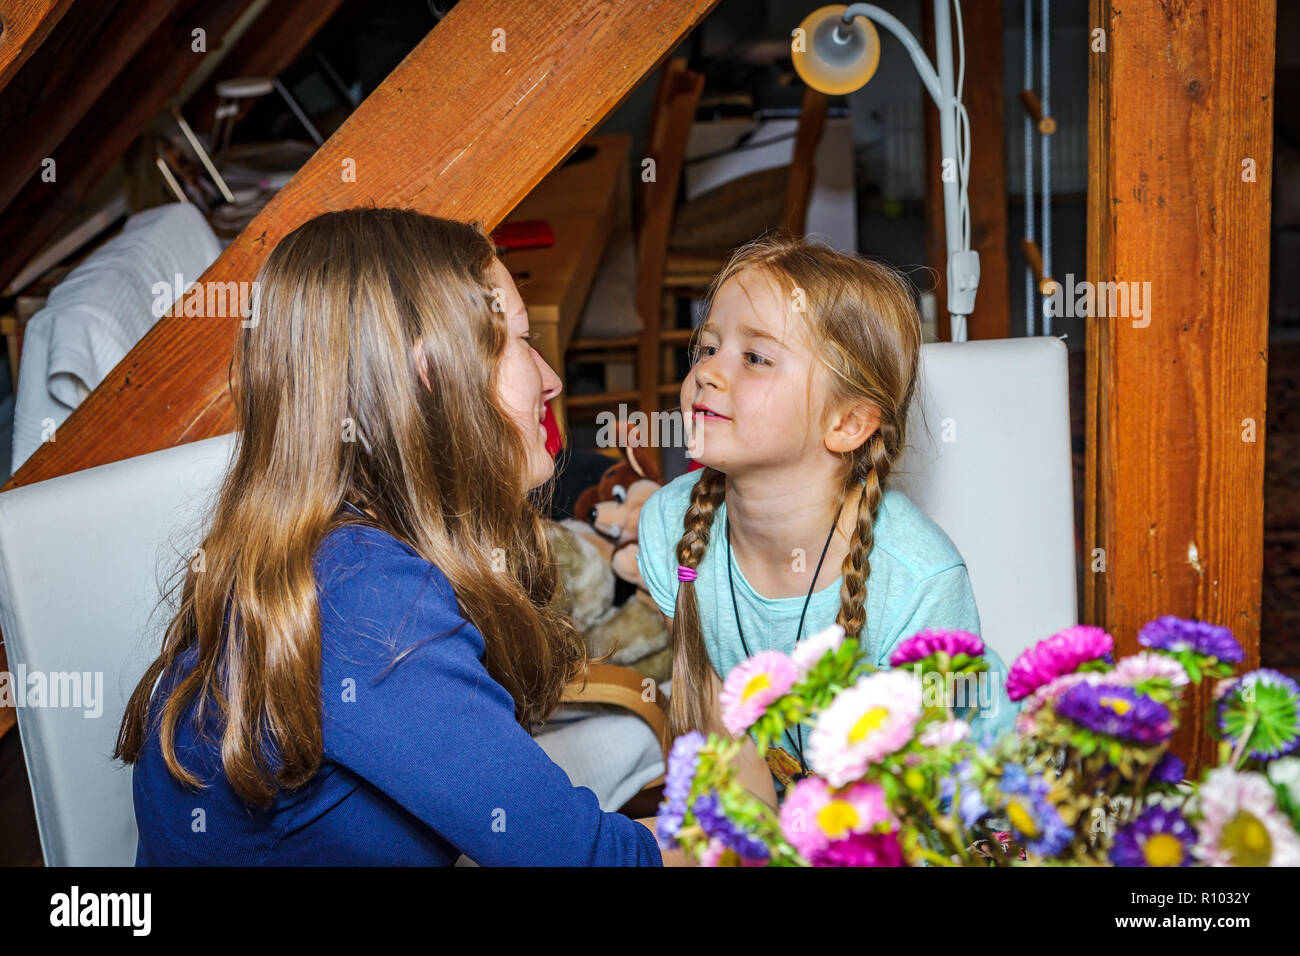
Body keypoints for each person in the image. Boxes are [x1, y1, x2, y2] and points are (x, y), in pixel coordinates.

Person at [116, 208, 676, 865]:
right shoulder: (370, 602)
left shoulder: (330, 552)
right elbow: (586, 861)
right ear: (430, 374)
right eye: (522, 342)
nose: (551, 378)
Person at [637, 235, 1019, 780]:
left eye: (755, 357)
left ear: (847, 424)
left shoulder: (919, 584)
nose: (707, 373)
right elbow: (726, 745)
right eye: (708, 347)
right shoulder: (668, 528)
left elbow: (923, 799)